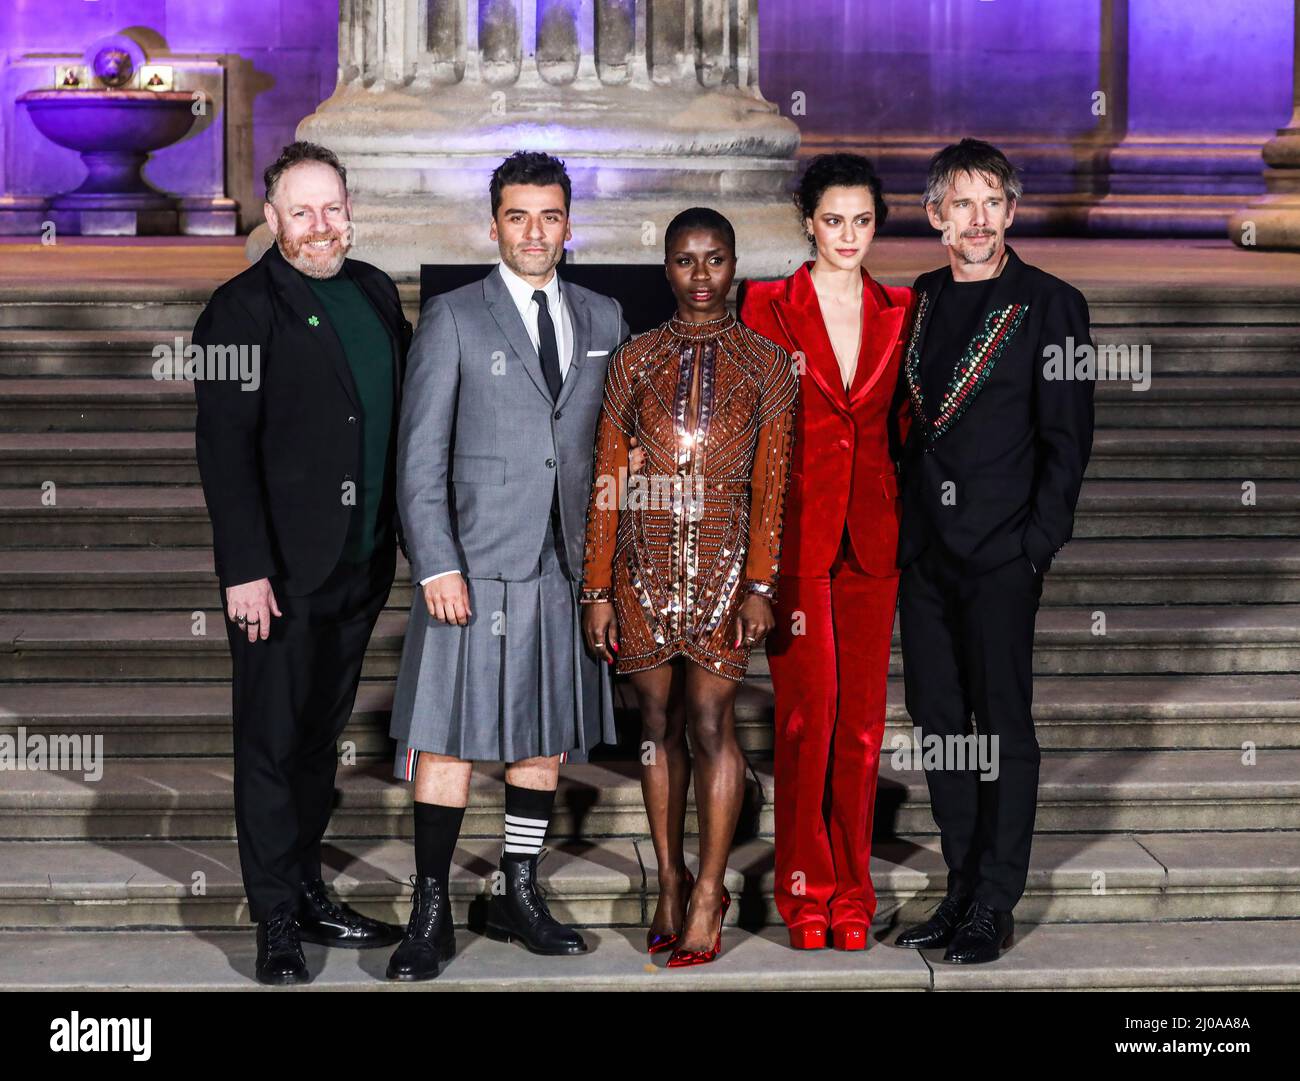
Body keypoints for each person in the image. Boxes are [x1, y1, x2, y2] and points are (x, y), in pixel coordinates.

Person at [386, 152, 626, 981]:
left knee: (544, 740)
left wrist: (607, 570)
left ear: (569, 224)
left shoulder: (603, 317)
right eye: (518, 216)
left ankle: (520, 889)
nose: (535, 231)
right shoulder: (454, 317)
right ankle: (429, 909)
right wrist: (435, 564)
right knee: (445, 741)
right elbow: (419, 459)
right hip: (472, 566)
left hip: (564, 567)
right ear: (493, 224)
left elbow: (611, 451)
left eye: (550, 215)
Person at [192, 141, 409, 985]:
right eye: (302, 211)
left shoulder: (374, 291)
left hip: (358, 565)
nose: (321, 226)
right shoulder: (238, 312)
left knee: (320, 740)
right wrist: (243, 569)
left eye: (333, 208)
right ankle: (276, 915)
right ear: (272, 219)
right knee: (272, 745)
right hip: (278, 575)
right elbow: (222, 450)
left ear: (350, 209)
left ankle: (311, 888)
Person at [894, 138, 1095, 964]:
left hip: (1002, 556)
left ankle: (996, 900)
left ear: (1011, 211)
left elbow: (1069, 439)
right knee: (941, 723)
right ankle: (961, 882)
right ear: (936, 215)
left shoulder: (1054, 303)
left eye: (993, 203)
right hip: (926, 557)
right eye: (961, 205)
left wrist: (1034, 547)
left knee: (1001, 725)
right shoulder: (924, 296)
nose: (978, 221)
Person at [581, 207, 798, 968]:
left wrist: (761, 585)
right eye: (684, 260)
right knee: (654, 722)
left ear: (735, 264)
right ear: (665, 267)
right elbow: (608, 479)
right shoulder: (633, 360)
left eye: (714, 259)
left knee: (712, 723)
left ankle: (710, 890)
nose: (700, 276)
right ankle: (667, 879)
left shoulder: (769, 363)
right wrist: (596, 589)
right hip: (640, 566)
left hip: (724, 569)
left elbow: (770, 489)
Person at [738, 154, 914, 951]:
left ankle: (854, 891)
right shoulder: (766, 305)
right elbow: (745, 429)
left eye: (864, 220)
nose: (849, 235)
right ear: (808, 220)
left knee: (864, 724)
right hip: (795, 540)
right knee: (808, 718)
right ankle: (803, 889)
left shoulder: (901, 307)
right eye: (834, 220)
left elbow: (907, 426)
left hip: (873, 539)